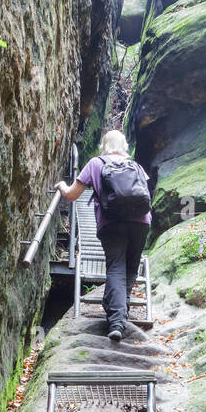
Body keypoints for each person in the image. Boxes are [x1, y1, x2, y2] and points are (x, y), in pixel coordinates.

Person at [57, 130, 152, 343]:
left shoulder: (95, 163)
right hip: (141, 222)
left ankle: (116, 321)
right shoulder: (136, 166)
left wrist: (61, 185)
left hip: (112, 223)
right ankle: (117, 314)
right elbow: (146, 193)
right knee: (129, 269)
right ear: (124, 145)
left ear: (104, 144)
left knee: (116, 267)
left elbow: (72, 195)